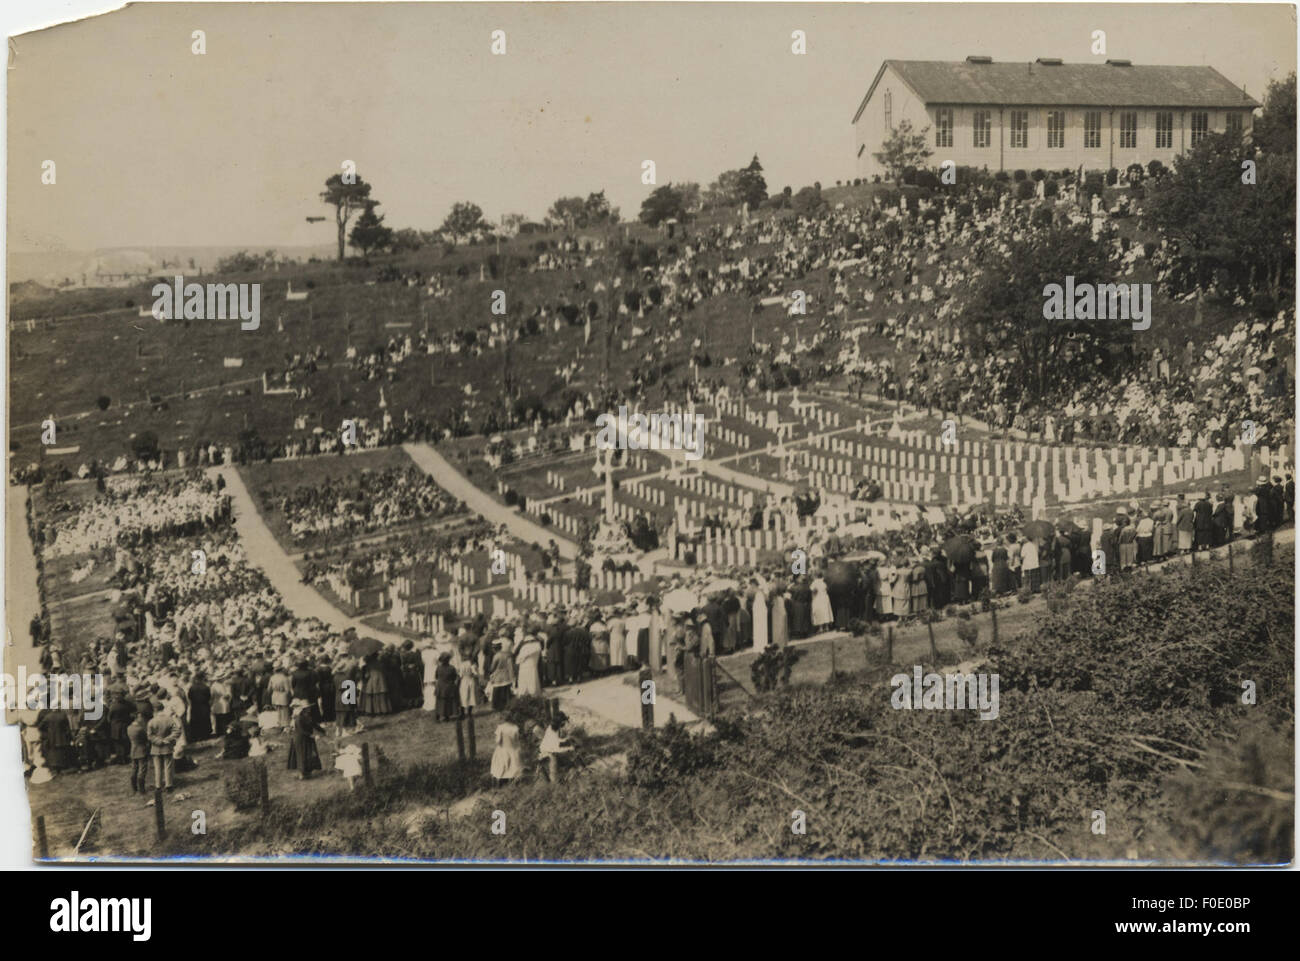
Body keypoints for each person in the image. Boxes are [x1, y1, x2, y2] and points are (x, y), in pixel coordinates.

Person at [146, 704, 182, 792]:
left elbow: (149, 736)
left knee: (157, 767)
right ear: (163, 708)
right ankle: (169, 785)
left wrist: (159, 741)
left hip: (156, 747)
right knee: (168, 766)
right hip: (167, 747)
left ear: (154, 710)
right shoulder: (169, 720)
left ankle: (158, 786)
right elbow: (177, 731)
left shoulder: (151, 721)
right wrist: (167, 739)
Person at [287, 700, 324, 780]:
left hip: (307, 738)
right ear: (303, 709)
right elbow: (301, 730)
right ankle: (302, 774)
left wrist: (323, 731)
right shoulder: (299, 718)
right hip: (300, 739)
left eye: (309, 707)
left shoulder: (308, 716)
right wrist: (311, 735)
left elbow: (314, 724)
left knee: (308, 754)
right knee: (301, 755)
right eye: (307, 708)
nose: (309, 709)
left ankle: (307, 772)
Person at [490, 721, 523, 787]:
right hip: (513, 750)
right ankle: (512, 784)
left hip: (502, 750)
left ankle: (500, 785)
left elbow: (498, 741)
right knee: (513, 767)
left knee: (501, 768)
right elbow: (517, 740)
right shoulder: (515, 727)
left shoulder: (500, 727)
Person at [487, 640, 516, 711]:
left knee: (497, 692)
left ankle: (497, 707)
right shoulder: (507, 654)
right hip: (506, 675)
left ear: (494, 648)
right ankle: (507, 705)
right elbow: (511, 666)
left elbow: (492, 668)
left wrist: (489, 672)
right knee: (506, 691)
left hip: (498, 676)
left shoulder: (496, 656)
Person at [127, 713, 150, 793]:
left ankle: (134, 788)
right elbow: (146, 738)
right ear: (136, 718)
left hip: (133, 750)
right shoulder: (140, 729)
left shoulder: (129, 728)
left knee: (134, 769)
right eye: (140, 717)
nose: (142, 719)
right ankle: (142, 789)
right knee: (142, 770)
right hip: (141, 750)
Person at [434, 652, 460, 721]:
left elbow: (436, 677)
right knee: (448, 702)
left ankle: (437, 715)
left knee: (439, 702)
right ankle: (447, 716)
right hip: (449, 687)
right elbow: (454, 677)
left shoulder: (438, 668)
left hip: (440, 687)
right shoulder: (452, 668)